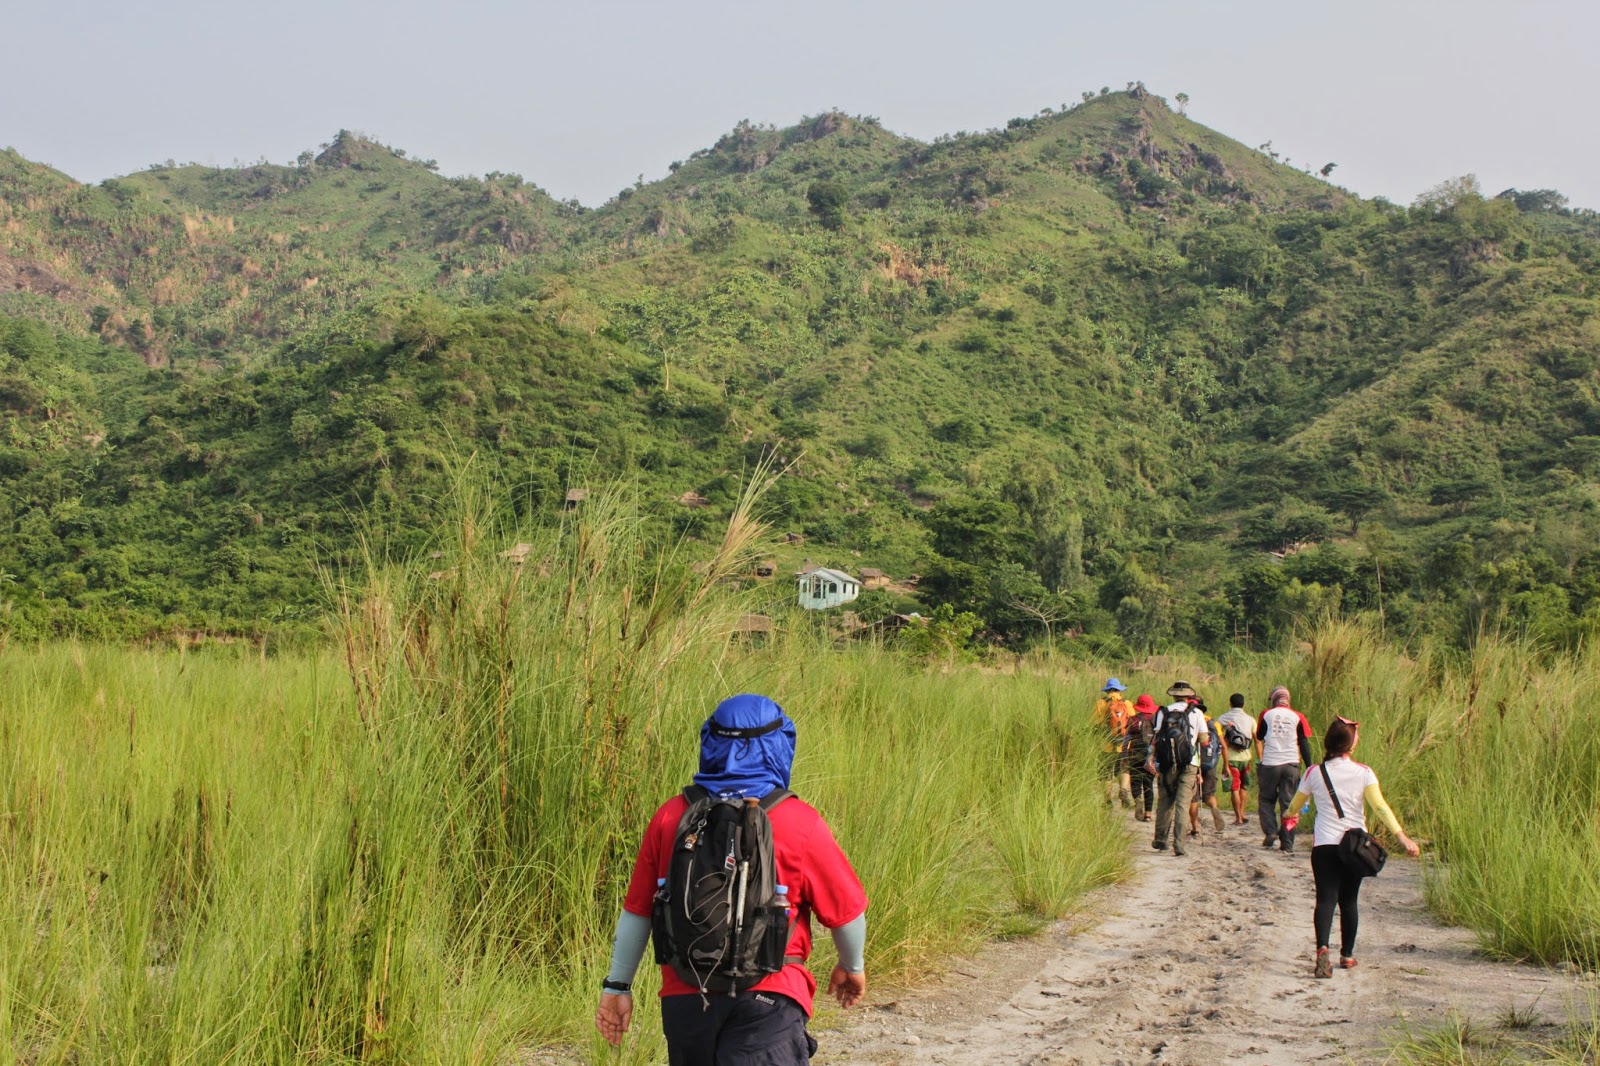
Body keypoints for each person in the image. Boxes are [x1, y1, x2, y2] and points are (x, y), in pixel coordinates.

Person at [595, 694, 869, 1064]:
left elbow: (639, 911)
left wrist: (617, 986)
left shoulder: (670, 817)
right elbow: (847, 914)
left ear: (711, 743)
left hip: (687, 998)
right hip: (770, 997)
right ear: (779, 745)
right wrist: (852, 968)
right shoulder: (800, 822)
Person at [1283, 716, 1420, 977]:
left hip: (1324, 845)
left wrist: (1289, 816)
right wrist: (1402, 837)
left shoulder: (1315, 772)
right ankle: (1347, 955)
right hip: (1354, 846)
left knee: (1325, 900)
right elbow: (1380, 807)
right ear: (1350, 746)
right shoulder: (1364, 772)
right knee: (1349, 901)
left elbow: (1296, 803)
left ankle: (1322, 949)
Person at [1145, 682, 1210, 856]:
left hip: (1166, 762)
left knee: (1165, 801)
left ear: (1173, 695)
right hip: (1190, 763)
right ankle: (1179, 844)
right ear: (1189, 696)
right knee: (1183, 803)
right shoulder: (1196, 713)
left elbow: (1156, 738)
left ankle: (1160, 840)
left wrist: (1151, 758)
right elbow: (1204, 740)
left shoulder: (1163, 712)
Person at [1256, 685, 1312, 852]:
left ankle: (1271, 831)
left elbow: (1259, 736)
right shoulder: (1298, 716)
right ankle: (1287, 845)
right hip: (1291, 765)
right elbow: (1304, 743)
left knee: (1266, 799)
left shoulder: (1266, 714)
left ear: (1274, 699)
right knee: (1289, 804)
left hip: (1270, 764)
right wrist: (1309, 766)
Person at [1214, 693, 1257, 826]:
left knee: (1235, 788)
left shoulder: (1223, 718)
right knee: (1244, 786)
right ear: (1243, 704)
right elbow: (1257, 739)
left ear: (1230, 703)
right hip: (1246, 758)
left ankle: (1238, 817)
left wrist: (1227, 742)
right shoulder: (1251, 720)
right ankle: (1242, 813)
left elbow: (1217, 735)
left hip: (1231, 758)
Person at [1093, 678, 1135, 807]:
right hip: (1124, 745)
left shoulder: (1101, 703)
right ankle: (1123, 792)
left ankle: (1107, 800)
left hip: (1106, 744)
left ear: (1107, 690)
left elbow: (1095, 723)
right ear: (1119, 690)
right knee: (1124, 769)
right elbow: (1133, 723)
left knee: (1106, 773)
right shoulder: (1127, 703)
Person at [1188, 698, 1227, 838]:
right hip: (1210, 763)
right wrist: (1225, 766)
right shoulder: (1213, 723)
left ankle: (1195, 829)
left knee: (1193, 798)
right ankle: (1214, 808)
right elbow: (1222, 745)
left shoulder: (1189, 719)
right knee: (1209, 794)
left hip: (1194, 763)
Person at [1124, 693, 1159, 822]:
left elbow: (1126, 740)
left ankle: (1138, 800)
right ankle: (1148, 814)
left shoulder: (1132, 720)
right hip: (1151, 756)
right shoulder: (1156, 721)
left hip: (1134, 754)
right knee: (1149, 784)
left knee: (1136, 781)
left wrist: (1124, 756)